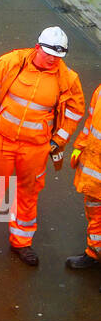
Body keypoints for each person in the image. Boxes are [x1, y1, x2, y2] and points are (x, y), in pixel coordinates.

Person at [0, 27, 84, 265]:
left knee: (28, 194)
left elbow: (75, 110)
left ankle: (21, 242)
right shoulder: (12, 62)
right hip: (2, 138)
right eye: (49, 53)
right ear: (38, 47)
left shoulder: (67, 78)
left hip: (36, 147)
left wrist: (58, 140)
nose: (53, 59)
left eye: (58, 56)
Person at [65, 81, 101, 274]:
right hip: (95, 168)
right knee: (95, 212)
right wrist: (80, 146)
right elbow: (90, 123)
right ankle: (94, 253)